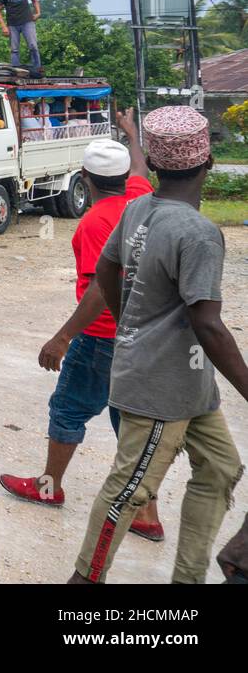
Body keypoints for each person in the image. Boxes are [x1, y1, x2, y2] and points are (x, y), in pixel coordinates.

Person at [68, 106, 248, 584]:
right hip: (159, 387)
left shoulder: (138, 207)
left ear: (154, 161)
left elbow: (107, 268)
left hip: (189, 383)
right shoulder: (198, 232)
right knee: (131, 488)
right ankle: (85, 579)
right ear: (207, 162)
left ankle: (187, 580)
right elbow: (207, 324)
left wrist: (129, 319)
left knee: (220, 469)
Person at [0, 109, 164, 539]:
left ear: (85, 178)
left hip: (103, 337)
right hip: (146, 335)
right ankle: (145, 514)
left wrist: (63, 336)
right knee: (129, 421)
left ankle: (49, 487)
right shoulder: (141, 198)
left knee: (69, 409)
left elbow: (100, 289)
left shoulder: (96, 221)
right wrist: (131, 133)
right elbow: (142, 167)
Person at [0, 0, 41, 76]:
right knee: (14, 49)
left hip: (27, 21)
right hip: (12, 24)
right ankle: (16, 71)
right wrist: (3, 26)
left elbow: (34, 0)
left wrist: (38, 13)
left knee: (33, 45)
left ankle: (38, 68)